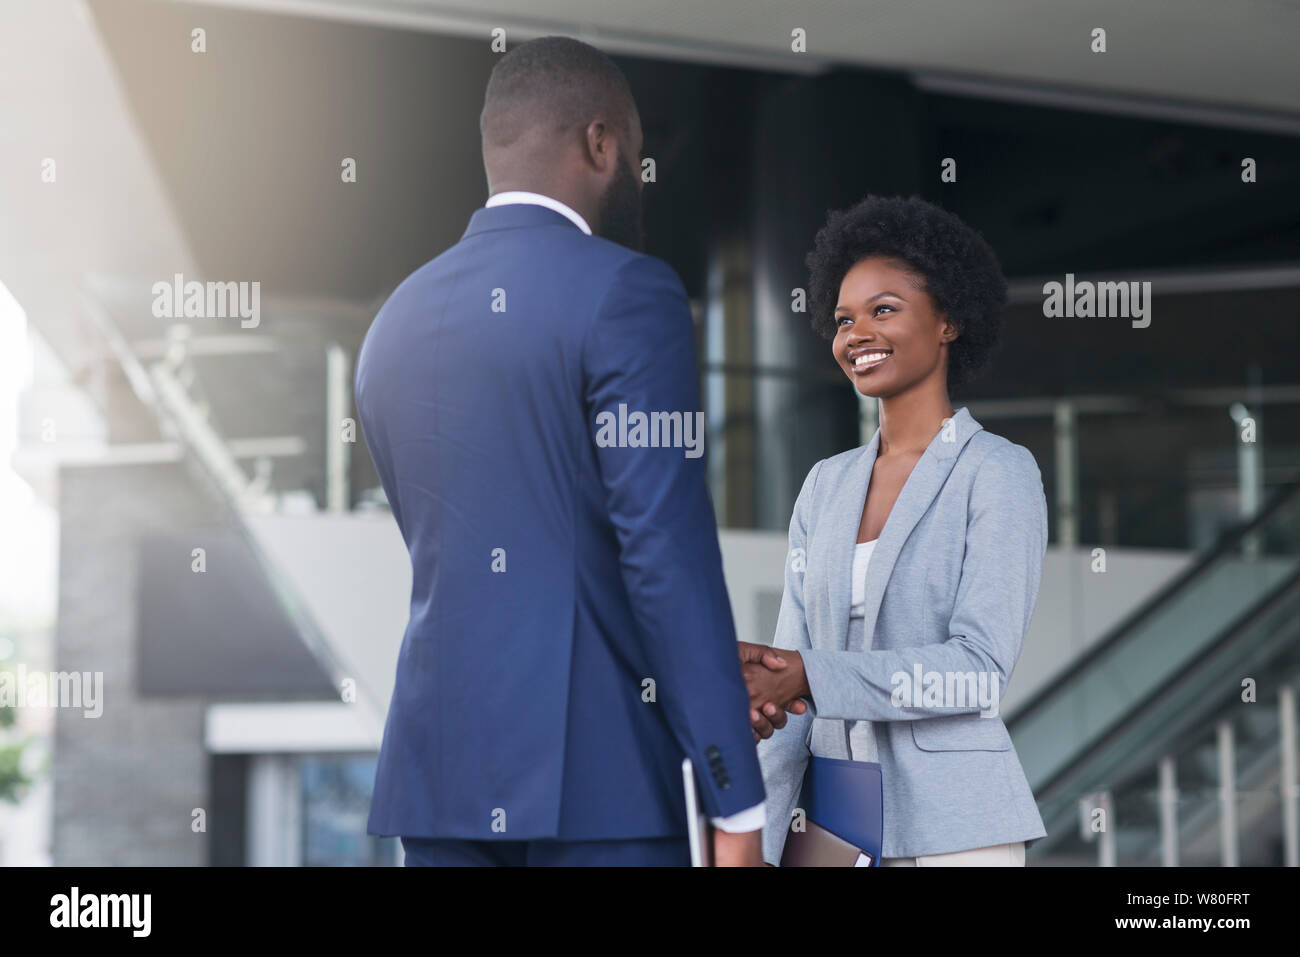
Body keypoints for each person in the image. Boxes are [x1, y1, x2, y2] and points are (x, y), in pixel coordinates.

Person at [355, 36, 765, 866]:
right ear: (601, 142)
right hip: (598, 778)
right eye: (637, 155)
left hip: (437, 778)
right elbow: (663, 552)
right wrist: (737, 798)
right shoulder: (629, 290)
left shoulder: (390, 324)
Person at [742, 195, 1048, 866]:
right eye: (843, 319)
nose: (856, 335)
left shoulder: (998, 472)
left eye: (884, 310)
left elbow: (975, 673)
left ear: (948, 321)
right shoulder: (824, 485)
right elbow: (793, 688)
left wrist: (808, 676)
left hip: (956, 828)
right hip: (832, 827)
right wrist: (756, 847)